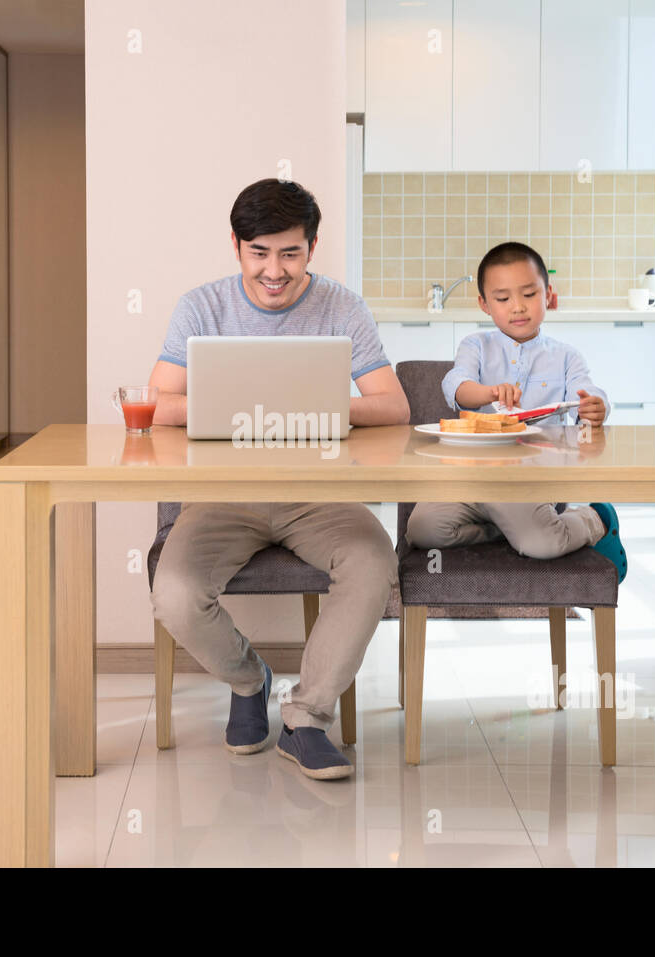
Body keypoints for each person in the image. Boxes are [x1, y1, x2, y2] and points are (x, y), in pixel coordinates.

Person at [147, 178, 408, 780]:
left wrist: (309, 407)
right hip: (222, 498)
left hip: (320, 496)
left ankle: (306, 717)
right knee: (176, 592)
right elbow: (158, 405)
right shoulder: (201, 306)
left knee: (373, 564)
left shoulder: (343, 306)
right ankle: (250, 679)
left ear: (311, 249)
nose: (274, 270)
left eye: (290, 253)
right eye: (259, 252)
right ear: (237, 247)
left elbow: (393, 407)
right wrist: (251, 405)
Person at [405, 242, 628, 581]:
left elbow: (586, 392)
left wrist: (596, 407)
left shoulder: (566, 356)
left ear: (548, 294)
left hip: (532, 482)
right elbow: (457, 386)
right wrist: (490, 391)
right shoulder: (475, 346)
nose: (518, 307)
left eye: (529, 294)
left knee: (543, 543)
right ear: (484, 304)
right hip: (474, 480)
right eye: (503, 298)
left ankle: (596, 518)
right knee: (422, 530)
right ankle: (506, 531)